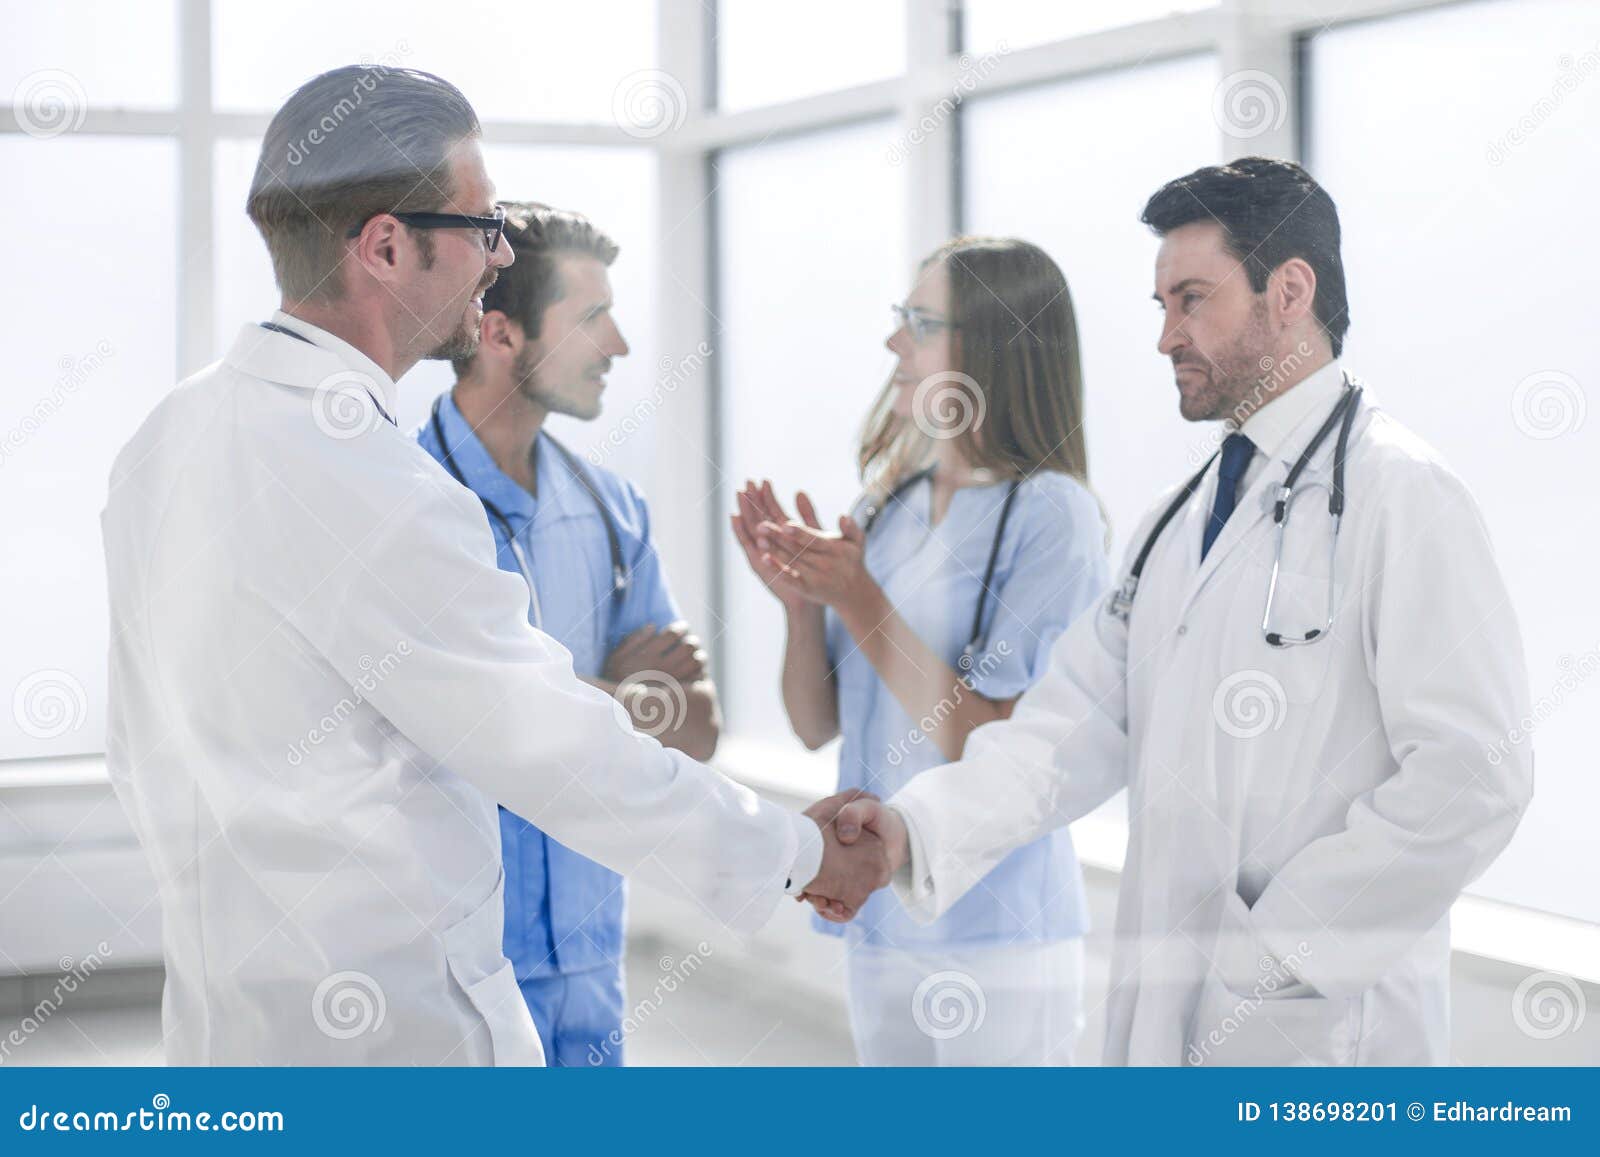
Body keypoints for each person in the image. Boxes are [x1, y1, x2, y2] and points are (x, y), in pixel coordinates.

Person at [99, 65, 888, 1066]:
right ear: (387, 246)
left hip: (228, 1032)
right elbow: (553, 745)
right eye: (482, 226)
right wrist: (802, 852)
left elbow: (136, 743)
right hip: (396, 1043)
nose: (501, 254)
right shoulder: (376, 482)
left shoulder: (162, 442)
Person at [816, 158, 1534, 1066]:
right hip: (1172, 1017)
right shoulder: (1176, 520)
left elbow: (1476, 773)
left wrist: (1278, 950)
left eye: (1192, 300)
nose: (1165, 337)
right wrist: (912, 830)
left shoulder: (1402, 494)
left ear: (1290, 292)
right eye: (1161, 305)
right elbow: (1064, 731)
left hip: (1317, 1037)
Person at [732, 237, 1109, 1065]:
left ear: (995, 347)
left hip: (999, 929)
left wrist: (860, 599)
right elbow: (813, 724)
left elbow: (1000, 746)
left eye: (923, 323)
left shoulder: (1053, 515)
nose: (894, 342)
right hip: (881, 916)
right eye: (902, 318)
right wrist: (803, 608)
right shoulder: (889, 502)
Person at [415, 202, 717, 1066]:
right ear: (499, 334)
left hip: (589, 959)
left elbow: (699, 728)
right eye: (591, 318)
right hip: (452, 968)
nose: (618, 344)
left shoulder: (614, 509)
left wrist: (584, 705)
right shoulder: (407, 502)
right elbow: (444, 727)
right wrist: (628, 695)